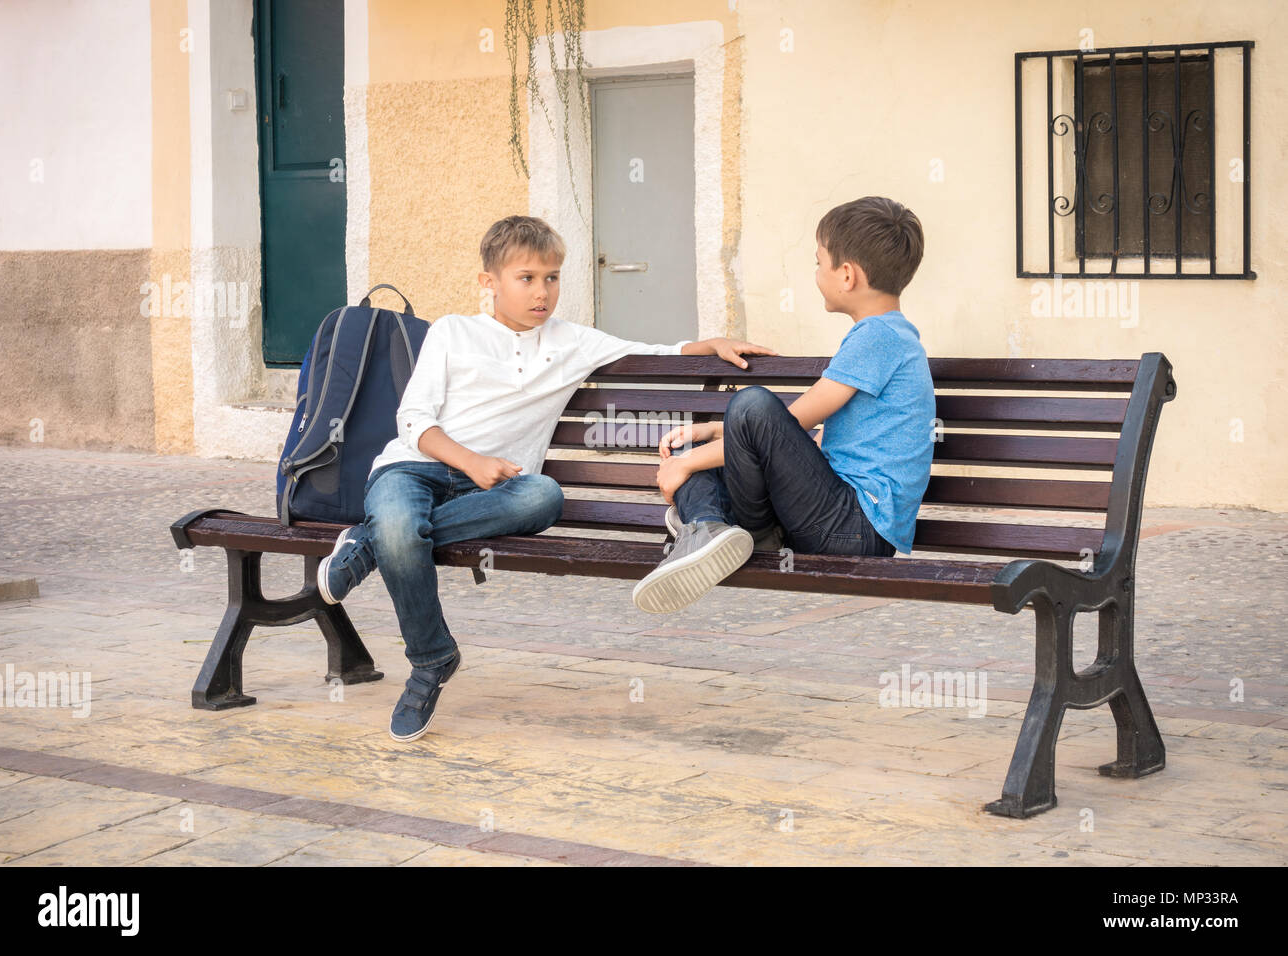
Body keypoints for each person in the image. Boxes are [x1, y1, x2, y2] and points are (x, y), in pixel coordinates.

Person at [316, 215, 776, 740]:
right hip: (412, 468)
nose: (543, 292)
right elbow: (413, 421)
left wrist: (709, 344)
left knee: (544, 496)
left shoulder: (572, 342)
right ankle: (430, 660)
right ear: (489, 283)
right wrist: (470, 460)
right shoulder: (453, 331)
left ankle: (367, 545)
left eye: (552, 277)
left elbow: (655, 352)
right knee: (400, 524)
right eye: (527, 277)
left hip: (501, 490)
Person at [632, 196, 934, 614]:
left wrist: (689, 462)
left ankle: (704, 526)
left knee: (750, 406)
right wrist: (708, 435)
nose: (815, 273)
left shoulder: (878, 338)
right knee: (700, 447)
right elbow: (795, 435)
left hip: (855, 527)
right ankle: (706, 531)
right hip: (831, 516)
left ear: (846, 275)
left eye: (818, 261)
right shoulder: (888, 336)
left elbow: (794, 419)